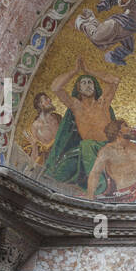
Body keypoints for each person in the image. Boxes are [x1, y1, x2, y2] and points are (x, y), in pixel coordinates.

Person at [44, 57, 120, 191]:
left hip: (105, 146)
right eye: (83, 83)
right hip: (85, 151)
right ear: (78, 89)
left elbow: (115, 80)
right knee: (62, 170)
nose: (88, 85)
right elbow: (55, 87)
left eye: (90, 82)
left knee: (86, 145)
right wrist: (74, 71)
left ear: (96, 87)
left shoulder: (102, 103)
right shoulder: (76, 106)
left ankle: (99, 187)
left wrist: (90, 71)